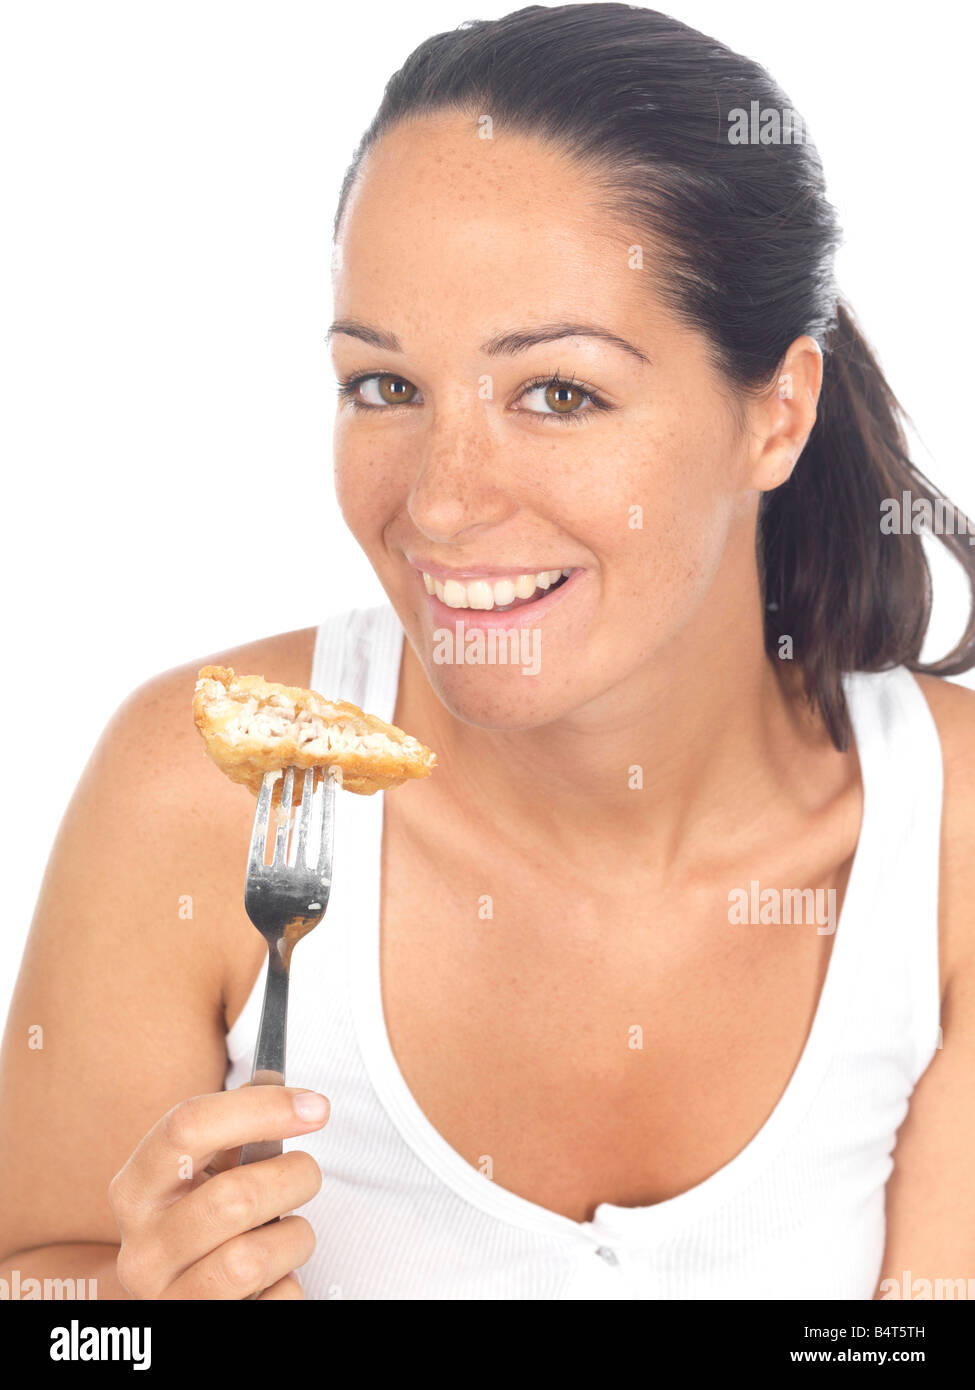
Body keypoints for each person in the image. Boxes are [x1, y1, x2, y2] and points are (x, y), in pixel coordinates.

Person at [2, 3, 973, 1300]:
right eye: (384, 386)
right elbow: (34, 1289)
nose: (444, 501)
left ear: (776, 413)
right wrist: (122, 1317)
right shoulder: (203, 785)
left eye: (559, 393)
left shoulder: (948, 848)